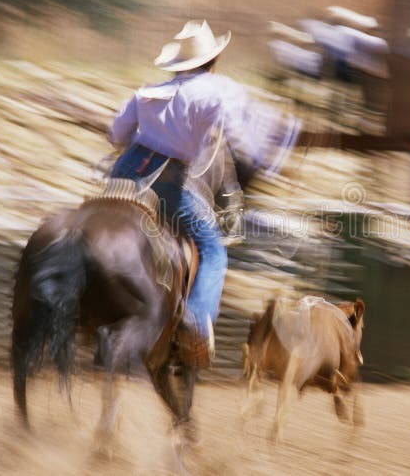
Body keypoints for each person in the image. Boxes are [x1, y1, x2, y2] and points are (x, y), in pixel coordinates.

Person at [107, 20, 298, 367]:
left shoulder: (147, 92)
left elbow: (116, 135)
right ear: (213, 61)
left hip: (122, 176)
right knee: (212, 249)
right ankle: (194, 323)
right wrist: (262, 162)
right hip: (165, 181)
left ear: (178, 63)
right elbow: (238, 139)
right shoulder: (216, 91)